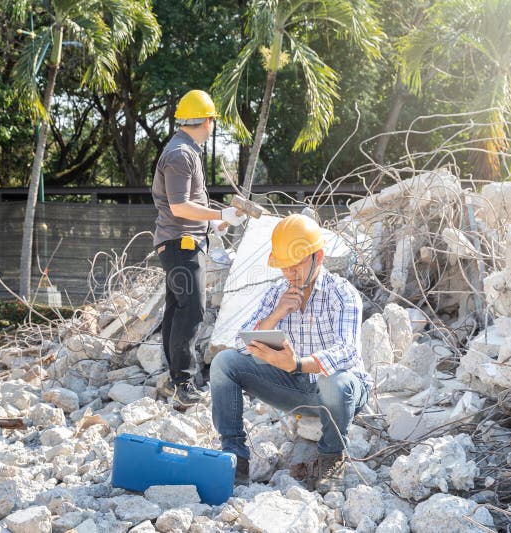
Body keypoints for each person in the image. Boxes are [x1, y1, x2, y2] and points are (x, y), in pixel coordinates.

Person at [210, 214, 372, 493]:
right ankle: (235, 459)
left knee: (334, 381)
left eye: (296, 265)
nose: (290, 273)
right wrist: (276, 315)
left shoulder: (342, 293)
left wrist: (297, 364)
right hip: (296, 390)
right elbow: (240, 343)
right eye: (284, 266)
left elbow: (346, 353)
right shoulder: (277, 293)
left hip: (339, 394)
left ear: (318, 257)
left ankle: (331, 457)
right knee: (224, 363)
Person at [152, 89, 246, 407]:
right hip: (181, 245)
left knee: (177, 311)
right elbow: (179, 207)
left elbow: (188, 208)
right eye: (213, 121)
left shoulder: (185, 150)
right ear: (207, 121)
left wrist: (216, 223)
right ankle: (184, 383)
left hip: (184, 242)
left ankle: (173, 380)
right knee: (192, 311)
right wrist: (220, 214)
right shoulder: (180, 154)